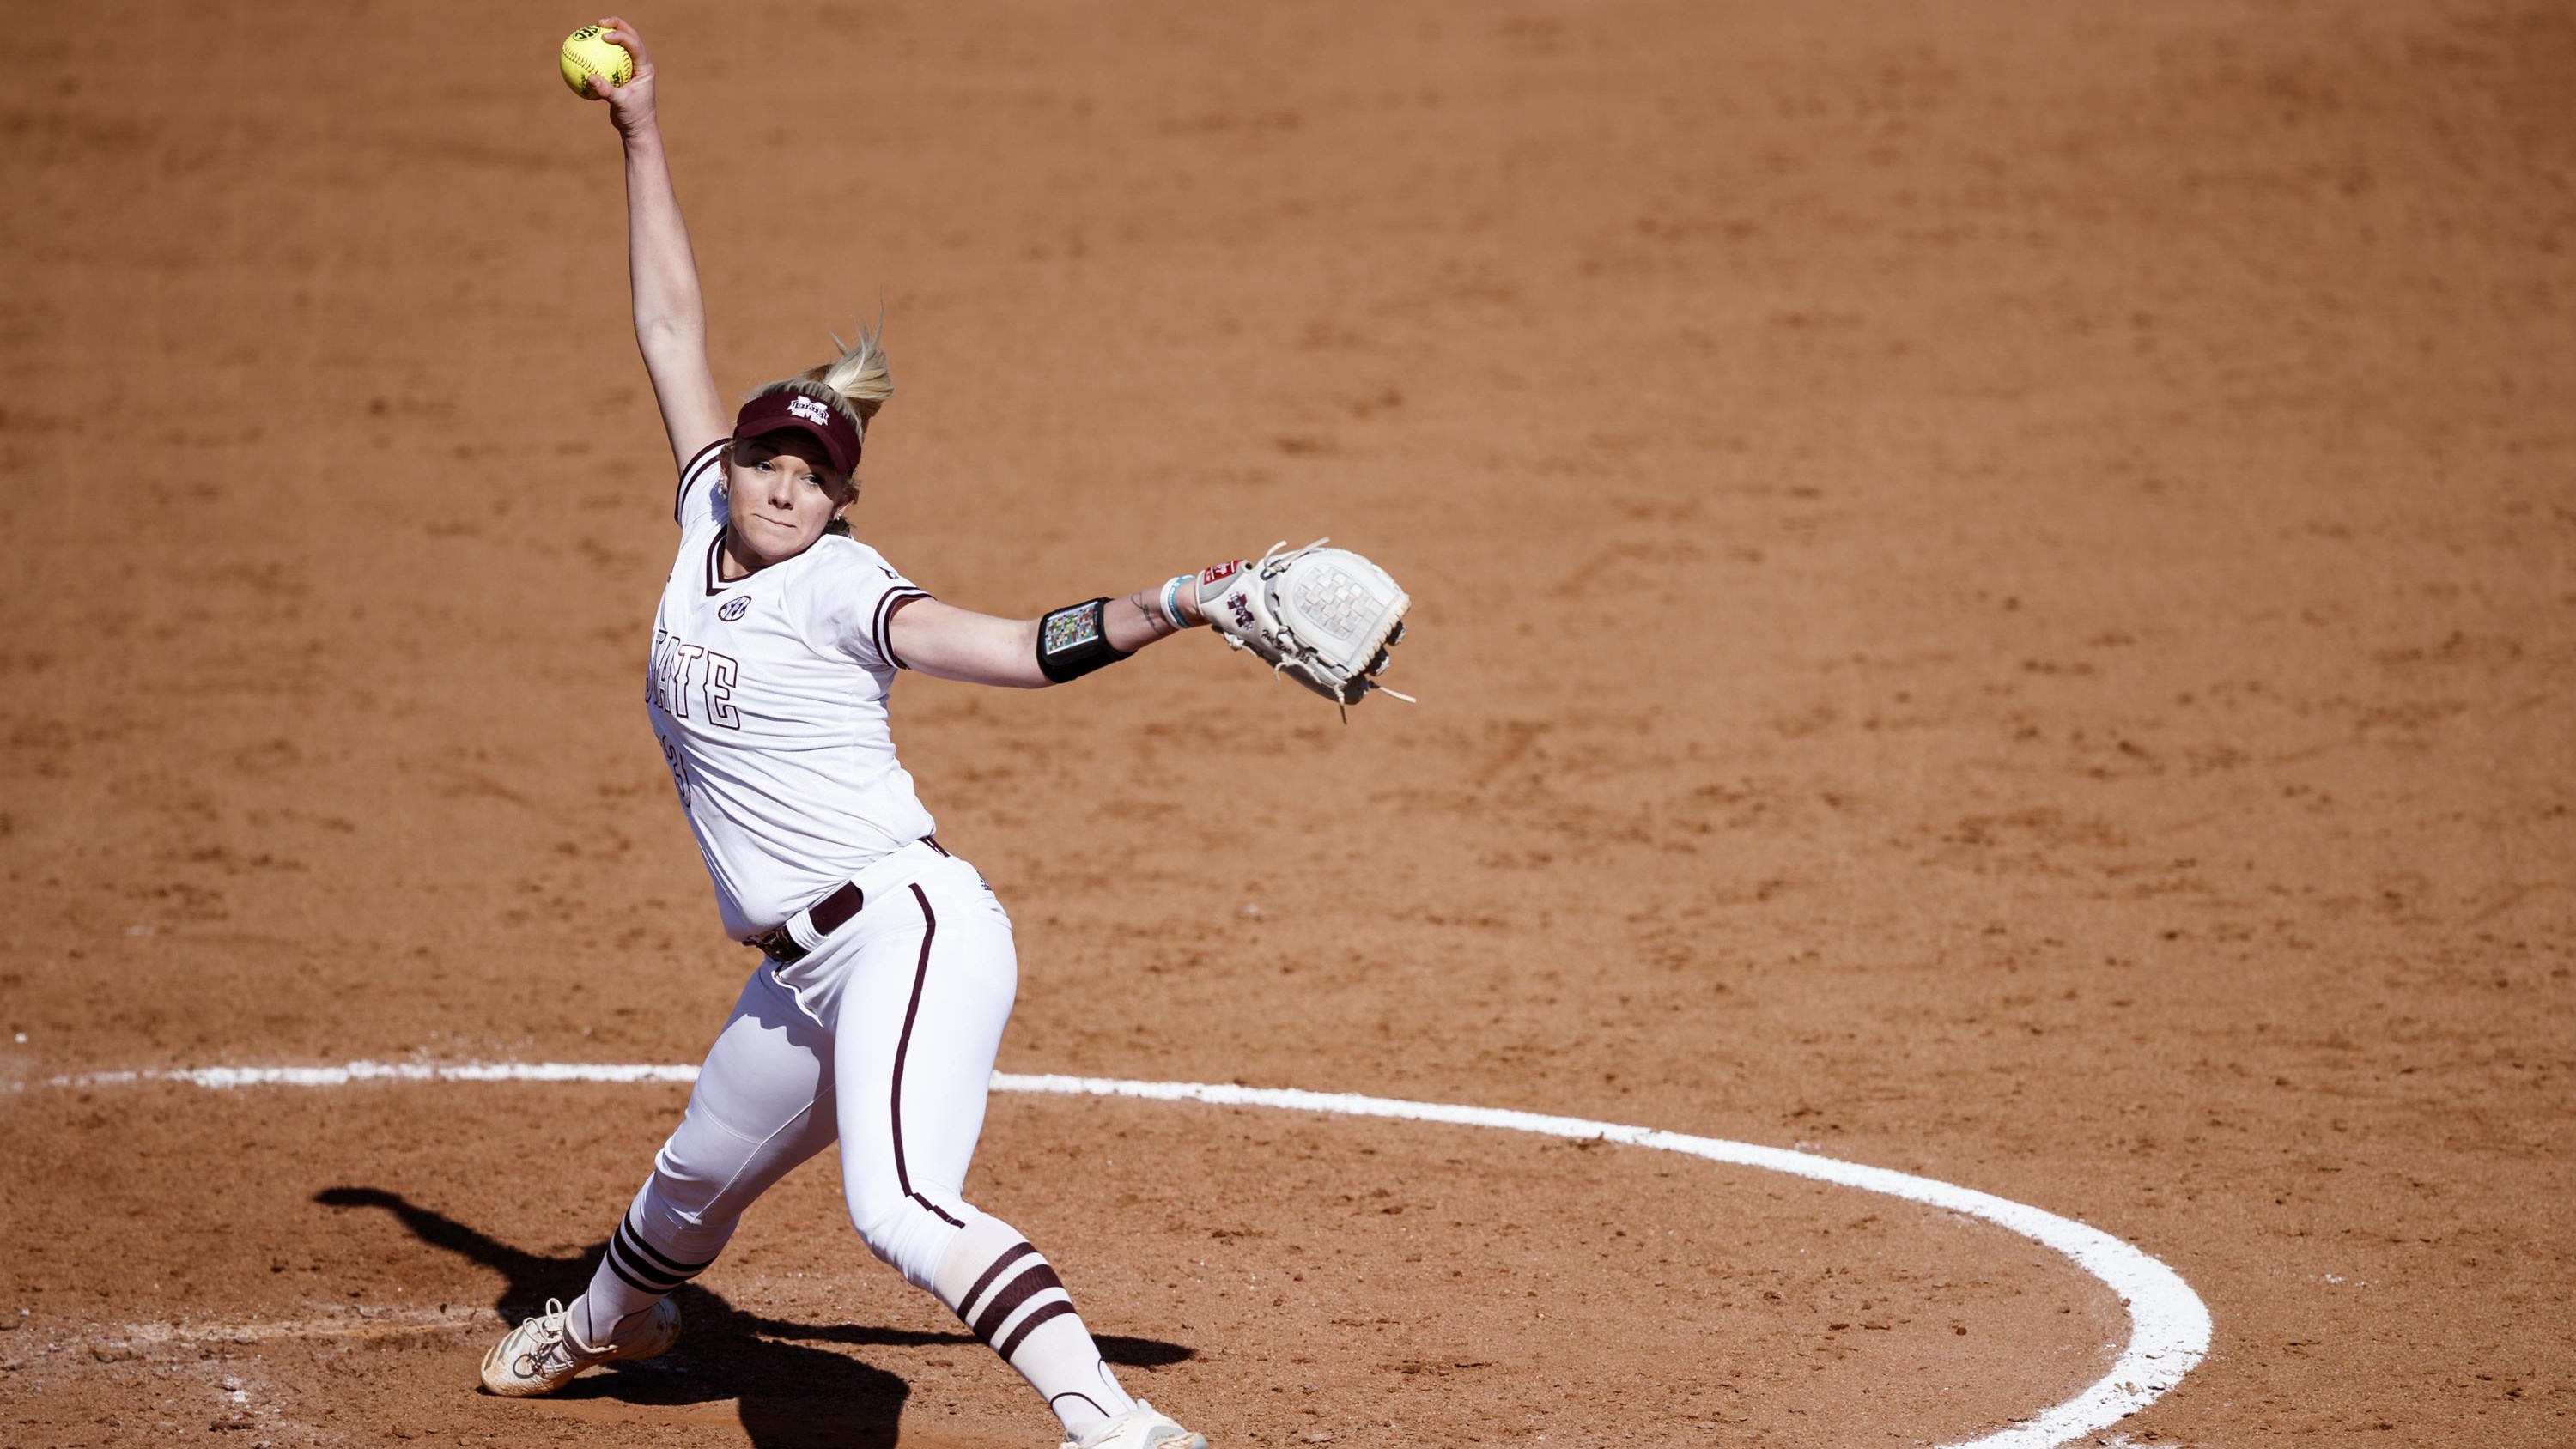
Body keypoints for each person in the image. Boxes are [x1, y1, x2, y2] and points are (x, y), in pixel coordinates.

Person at [477, 19, 1218, 1449]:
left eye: (812, 478)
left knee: (899, 1205)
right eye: (767, 460)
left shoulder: (843, 587)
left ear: (837, 504)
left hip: (905, 930)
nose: (782, 488)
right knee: (691, 1181)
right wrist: (640, 131)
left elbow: (1015, 649)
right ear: (736, 465)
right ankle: (608, 1323)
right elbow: (669, 328)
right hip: (794, 973)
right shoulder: (700, 515)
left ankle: (1117, 1429)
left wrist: (1177, 602)